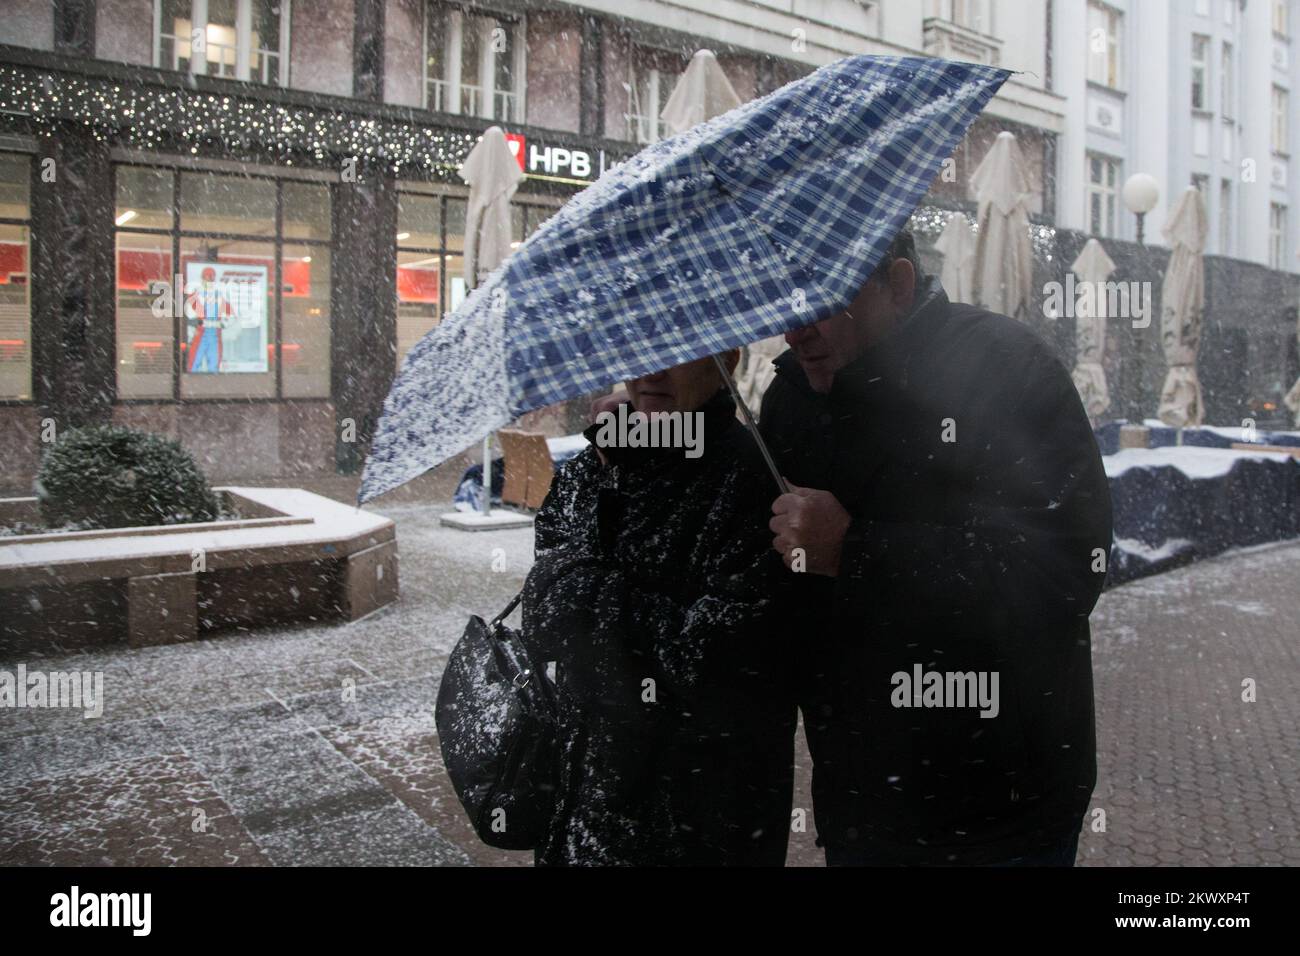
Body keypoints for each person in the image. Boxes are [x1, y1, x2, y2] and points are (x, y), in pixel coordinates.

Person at [762, 228, 1113, 866]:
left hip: (1003, 816)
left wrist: (856, 550)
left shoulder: (1009, 368)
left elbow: (1060, 573)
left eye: (818, 302)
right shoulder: (792, 399)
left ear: (896, 284)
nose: (795, 331)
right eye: (783, 306)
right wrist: (660, 448)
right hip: (860, 806)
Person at [521, 351, 796, 866]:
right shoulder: (599, 462)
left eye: (677, 355)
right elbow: (543, 604)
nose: (651, 371)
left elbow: (712, 656)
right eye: (637, 352)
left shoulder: (750, 482)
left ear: (725, 362)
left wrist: (586, 596)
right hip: (582, 795)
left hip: (697, 819)